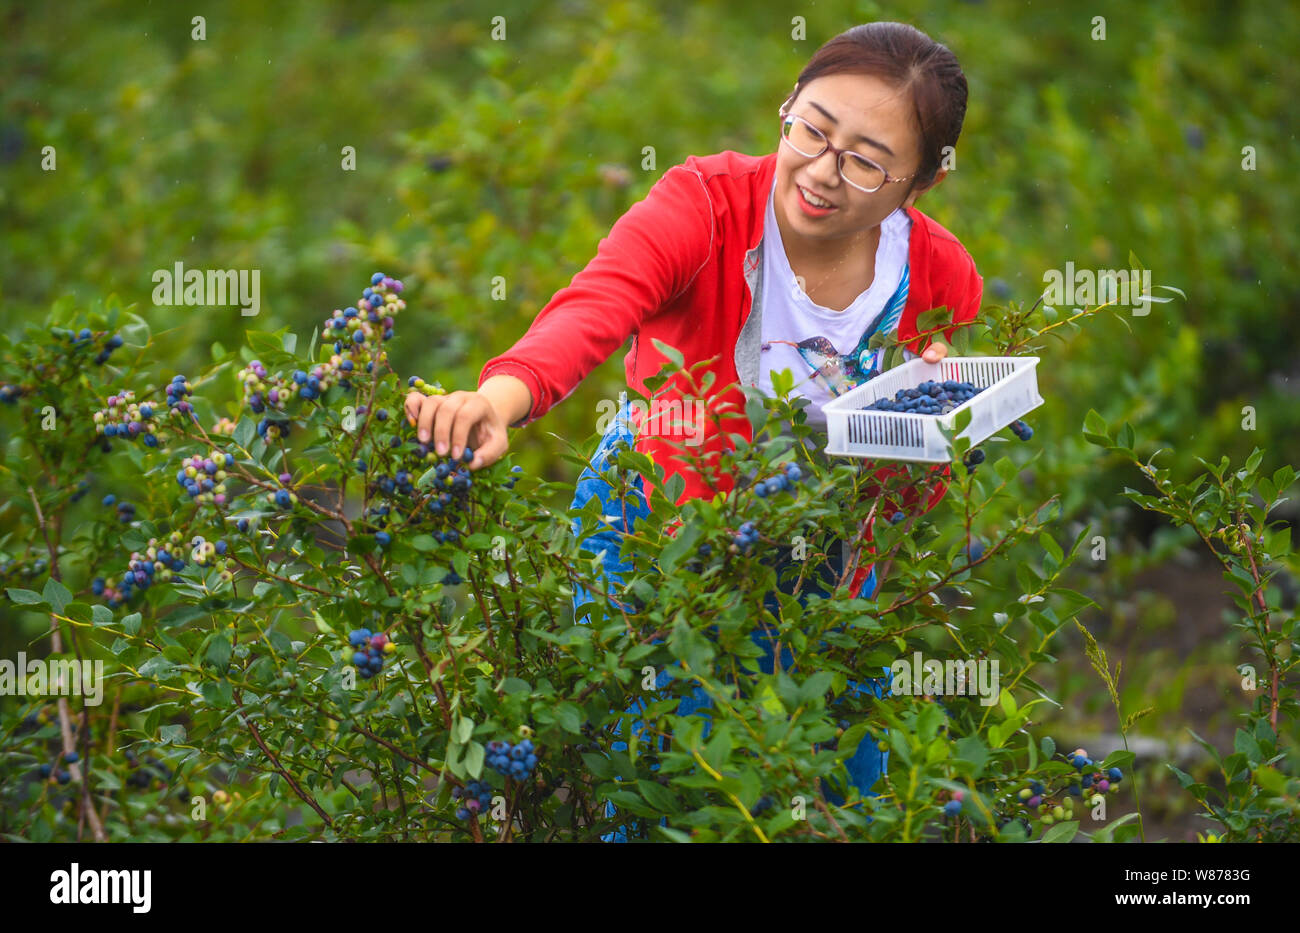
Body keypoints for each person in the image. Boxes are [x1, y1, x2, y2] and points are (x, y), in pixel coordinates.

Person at [405, 22, 983, 838]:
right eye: (811, 128)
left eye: (864, 160)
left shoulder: (940, 276)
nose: (821, 171)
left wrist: (932, 434)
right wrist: (497, 401)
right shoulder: (705, 204)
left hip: (829, 556)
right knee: (661, 784)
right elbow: (595, 306)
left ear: (916, 183)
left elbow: (910, 468)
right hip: (659, 527)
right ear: (786, 107)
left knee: (839, 793)